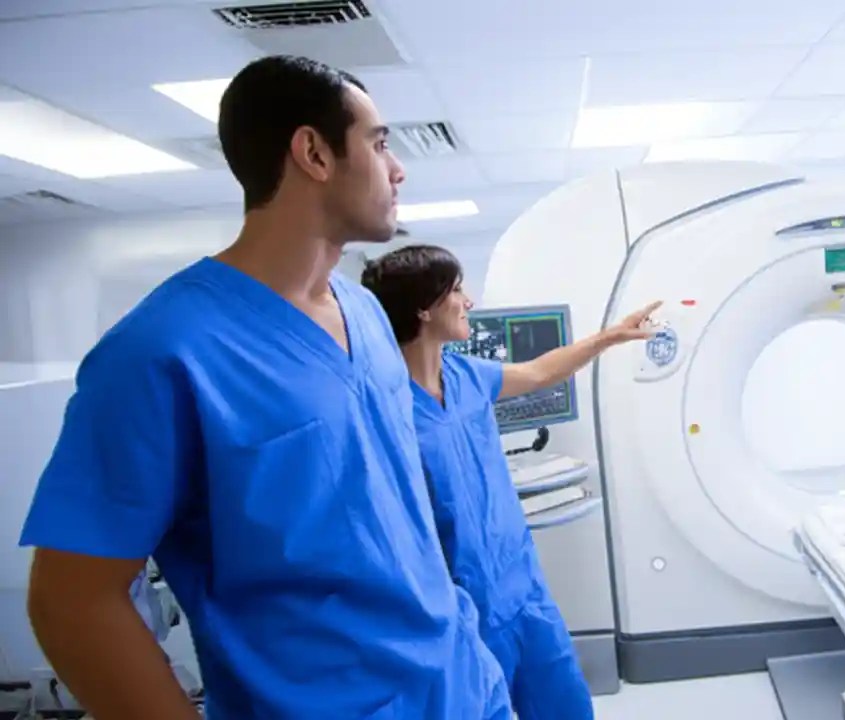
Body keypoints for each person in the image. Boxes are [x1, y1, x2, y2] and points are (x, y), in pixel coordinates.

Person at [20, 56, 510, 719]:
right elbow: (73, 600)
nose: (398, 170)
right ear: (312, 152)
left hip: (459, 687)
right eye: (379, 142)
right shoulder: (163, 350)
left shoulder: (364, 313)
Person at [361, 244, 659, 720]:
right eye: (456, 290)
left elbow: (541, 371)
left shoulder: (464, 374)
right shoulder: (383, 405)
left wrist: (612, 336)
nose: (469, 300)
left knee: (565, 705)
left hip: (522, 588)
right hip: (462, 612)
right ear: (424, 307)